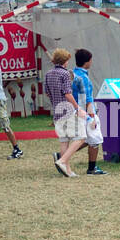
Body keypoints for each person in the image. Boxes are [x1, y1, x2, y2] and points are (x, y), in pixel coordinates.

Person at [46, 48, 86, 177]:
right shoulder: (65, 74)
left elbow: (47, 93)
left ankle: (67, 170)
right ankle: (63, 161)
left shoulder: (48, 74)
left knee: (64, 140)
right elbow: (68, 93)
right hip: (67, 110)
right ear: (65, 61)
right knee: (80, 137)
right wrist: (77, 108)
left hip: (56, 110)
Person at [72, 49, 106, 175]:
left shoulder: (72, 74)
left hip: (75, 110)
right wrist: (91, 117)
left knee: (85, 139)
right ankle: (92, 168)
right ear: (87, 62)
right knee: (95, 139)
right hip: (86, 112)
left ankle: (63, 154)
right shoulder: (84, 78)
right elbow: (87, 99)